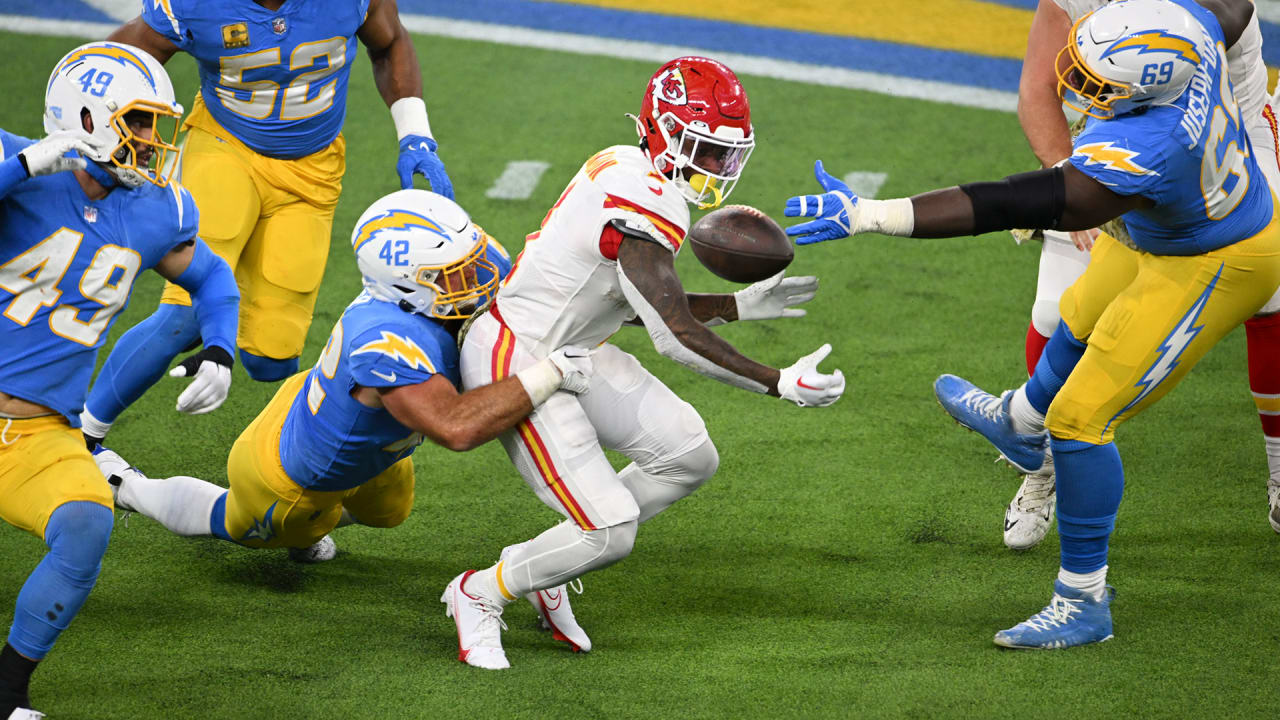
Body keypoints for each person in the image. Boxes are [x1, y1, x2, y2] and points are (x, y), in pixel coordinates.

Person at [784, 0, 1280, 649]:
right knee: (1073, 316)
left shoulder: (1152, 145)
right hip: (1177, 220)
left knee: (1080, 420)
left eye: (1100, 87)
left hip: (1213, 259)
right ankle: (1020, 418)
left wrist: (872, 214)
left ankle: (1083, 601)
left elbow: (1005, 201)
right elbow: (1234, 10)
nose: (1082, 91)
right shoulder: (1192, 36)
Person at [442, 56, 846, 670]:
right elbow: (672, 333)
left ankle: (549, 562)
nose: (715, 168)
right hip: (517, 358)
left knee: (688, 456)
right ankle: (479, 592)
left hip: (574, 348)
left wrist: (737, 305)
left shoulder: (632, 169)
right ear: (661, 128)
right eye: (703, 149)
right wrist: (780, 382)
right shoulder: (644, 196)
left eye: (725, 154)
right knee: (609, 530)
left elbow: (635, 301)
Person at [93, 189, 598, 649]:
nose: (478, 276)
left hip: (360, 440)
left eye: (469, 260)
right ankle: (125, 484)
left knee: (392, 510)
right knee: (237, 521)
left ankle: (319, 521)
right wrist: (549, 374)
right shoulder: (387, 341)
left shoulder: (408, 300)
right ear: (407, 289)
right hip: (290, 480)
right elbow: (457, 427)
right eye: (452, 274)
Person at [79, 0, 454, 447]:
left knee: (271, 361)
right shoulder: (194, 5)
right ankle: (82, 432)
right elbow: (106, 67)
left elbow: (389, 41)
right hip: (225, 146)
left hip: (312, 171)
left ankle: (226, 300)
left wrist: (416, 134)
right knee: (184, 313)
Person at [0, 42, 240, 718]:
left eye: (153, 124)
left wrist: (220, 348)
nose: (150, 139)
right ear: (86, 115)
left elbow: (211, 276)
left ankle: (5, 691)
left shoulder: (153, 208)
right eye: (137, 122)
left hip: (38, 433)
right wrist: (23, 167)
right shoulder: (15, 163)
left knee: (85, 522)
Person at [1004, 0, 1280, 549]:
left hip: (1229, 143)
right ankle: (1042, 469)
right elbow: (1038, 90)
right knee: (1054, 309)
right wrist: (1065, 180)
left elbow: (1226, 23)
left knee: (1273, 295)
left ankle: (1279, 466)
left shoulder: (1216, 11)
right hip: (1120, 138)